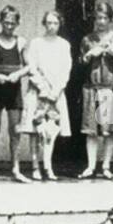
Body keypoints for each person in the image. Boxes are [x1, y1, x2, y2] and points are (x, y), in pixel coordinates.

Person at [78, 1, 113, 180]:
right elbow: (80, 63)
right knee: (92, 131)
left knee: (109, 131)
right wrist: (89, 55)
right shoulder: (87, 39)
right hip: (92, 88)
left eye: (104, 18)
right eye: (98, 18)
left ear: (110, 19)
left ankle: (106, 166)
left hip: (111, 88)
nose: (101, 21)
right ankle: (91, 166)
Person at [19, 10, 73, 182]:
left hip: (55, 94)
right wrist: (42, 87)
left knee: (51, 131)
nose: (51, 27)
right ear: (44, 24)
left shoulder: (64, 45)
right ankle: (35, 167)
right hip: (38, 92)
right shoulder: (36, 43)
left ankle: (48, 167)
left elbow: (66, 69)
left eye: (55, 23)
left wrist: (56, 90)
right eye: (48, 23)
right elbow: (31, 67)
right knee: (35, 131)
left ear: (59, 24)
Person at [0, 5, 32, 183]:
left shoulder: (21, 42)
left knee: (15, 131)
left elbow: (29, 65)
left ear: (17, 23)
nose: (8, 26)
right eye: (6, 22)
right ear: (0, 21)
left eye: (12, 23)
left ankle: (16, 170)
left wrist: (18, 74)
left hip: (14, 89)